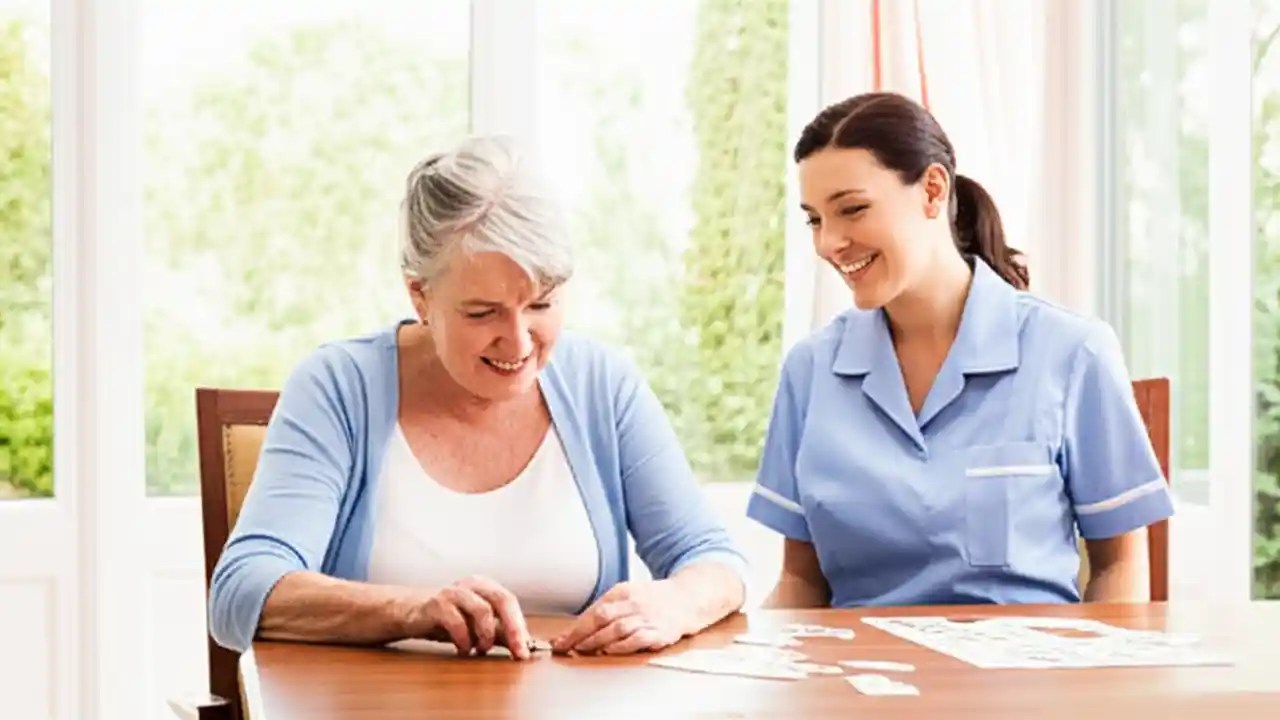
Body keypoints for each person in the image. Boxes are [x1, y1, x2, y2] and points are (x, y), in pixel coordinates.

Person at [209, 135, 747, 659]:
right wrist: (413, 611)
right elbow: (241, 593)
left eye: (541, 305)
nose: (518, 343)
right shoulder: (338, 387)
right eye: (482, 312)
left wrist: (676, 602)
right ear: (420, 295)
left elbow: (712, 559)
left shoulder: (602, 386)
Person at [747, 92, 1174, 609]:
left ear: (932, 190)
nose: (828, 243)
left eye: (852, 210)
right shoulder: (811, 370)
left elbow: (1120, 566)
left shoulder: (1072, 353)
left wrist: (1096, 685)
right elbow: (802, 583)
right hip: (854, 683)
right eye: (814, 219)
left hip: (1025, 680)